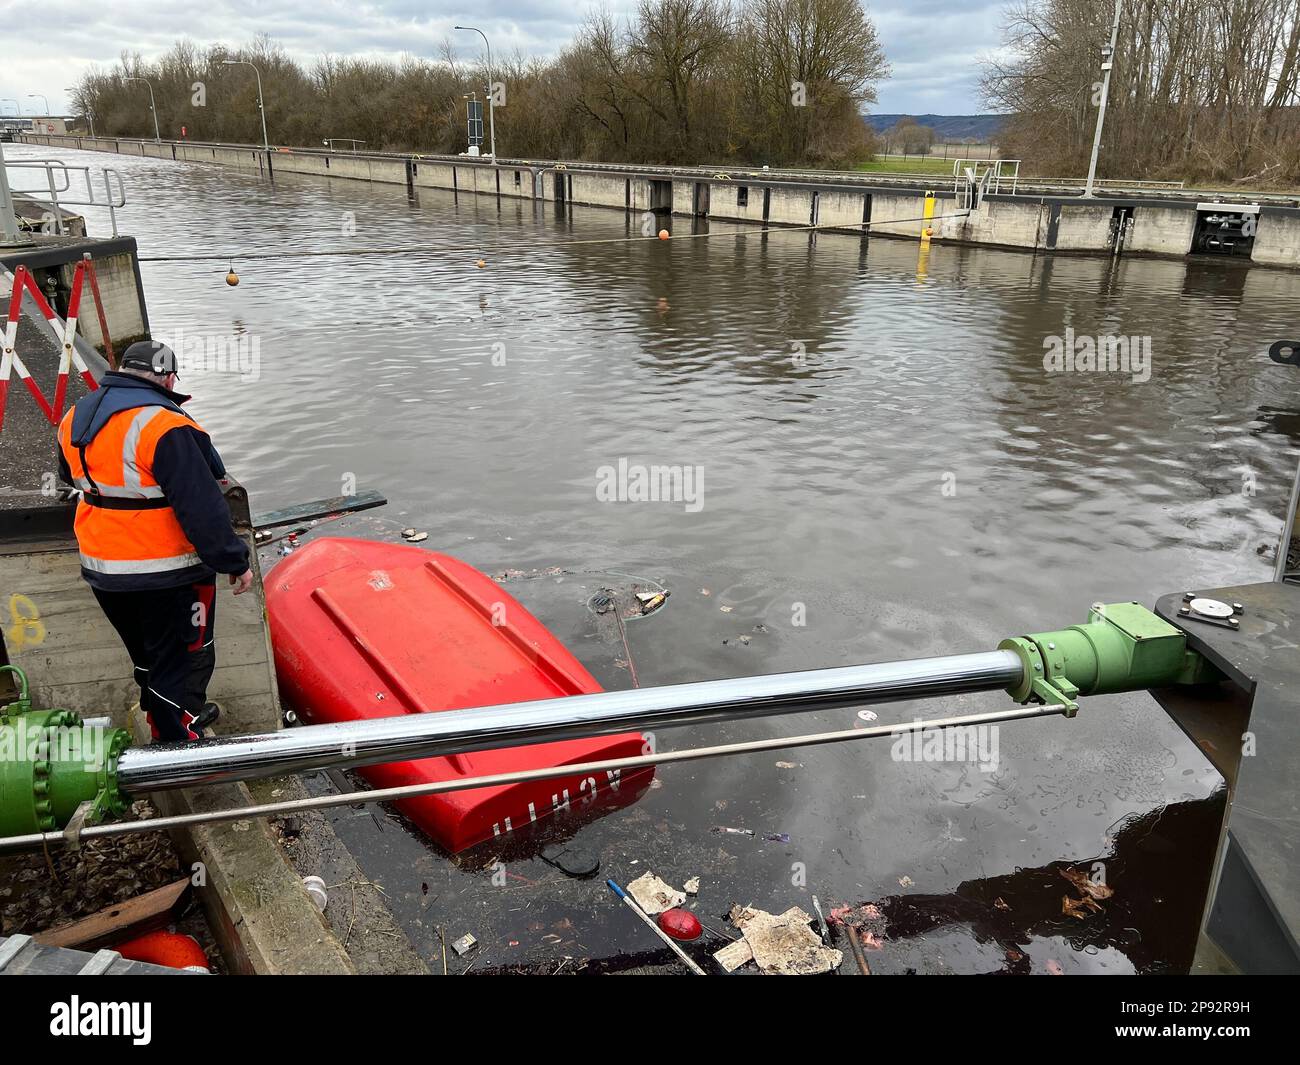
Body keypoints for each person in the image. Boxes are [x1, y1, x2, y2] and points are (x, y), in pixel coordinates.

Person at [56, 341, 253, 742]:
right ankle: (176, 741)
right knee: (183, 657)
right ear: (167, 377)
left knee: (146, 656)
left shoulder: (75, 416)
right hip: (163, 569)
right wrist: (234, 560)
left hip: (102, 566)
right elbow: (201, 506)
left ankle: (164, 720)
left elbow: (67, 477)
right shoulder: (165, 425)